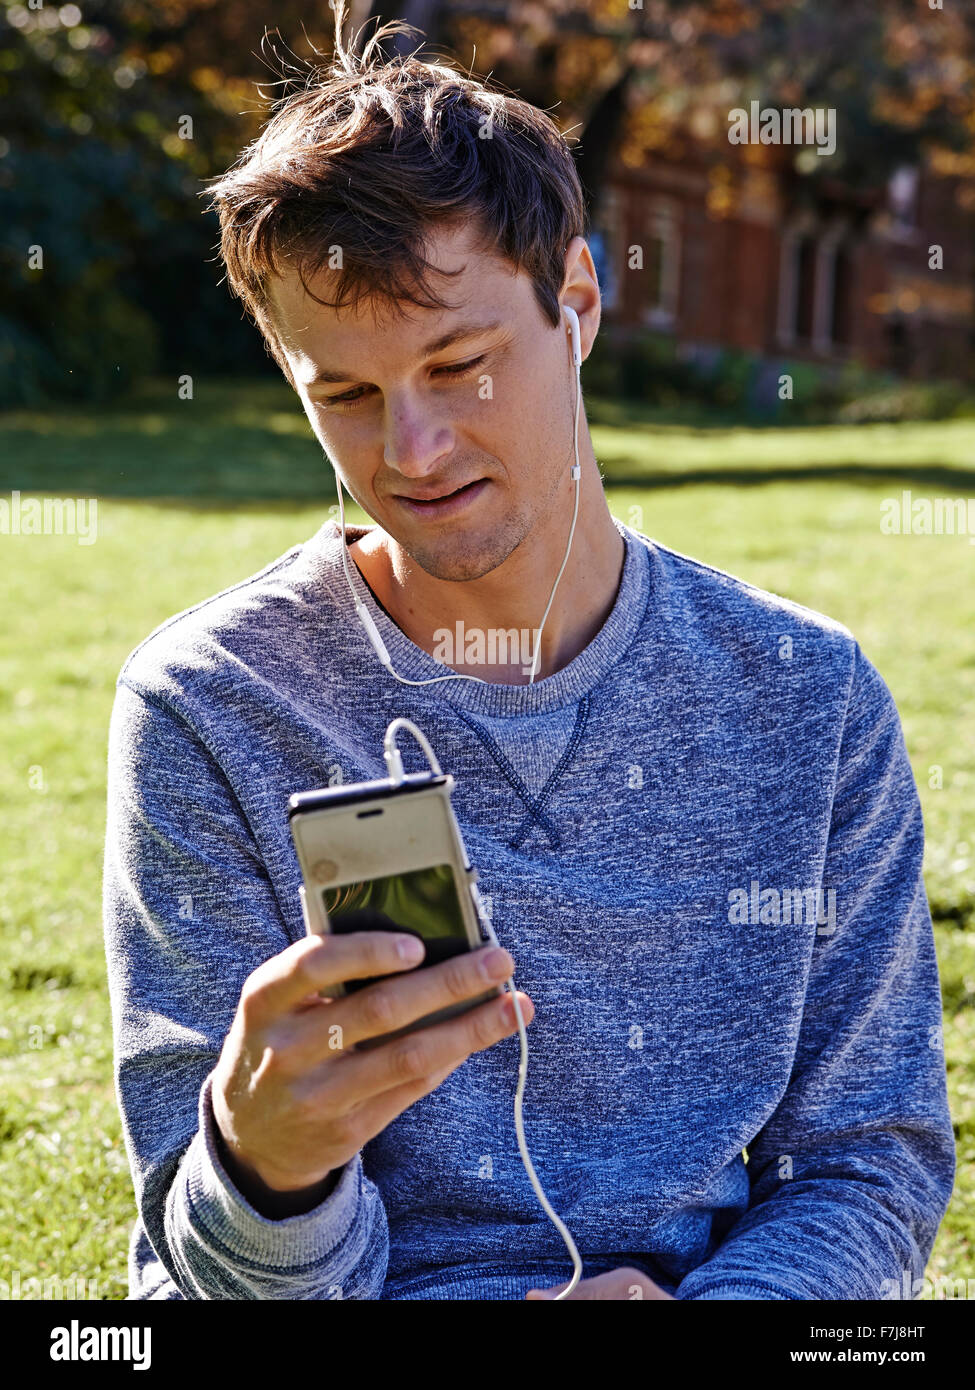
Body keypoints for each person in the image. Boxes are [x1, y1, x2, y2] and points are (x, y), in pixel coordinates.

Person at [102, 2, 954, 1301]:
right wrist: (265, 1166)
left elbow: (869, 1158)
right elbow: (192, 1278)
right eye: (346, 393)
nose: (413, 451)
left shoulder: (807, 700)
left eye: (460, 363)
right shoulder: (214, 705)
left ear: (578, 301)